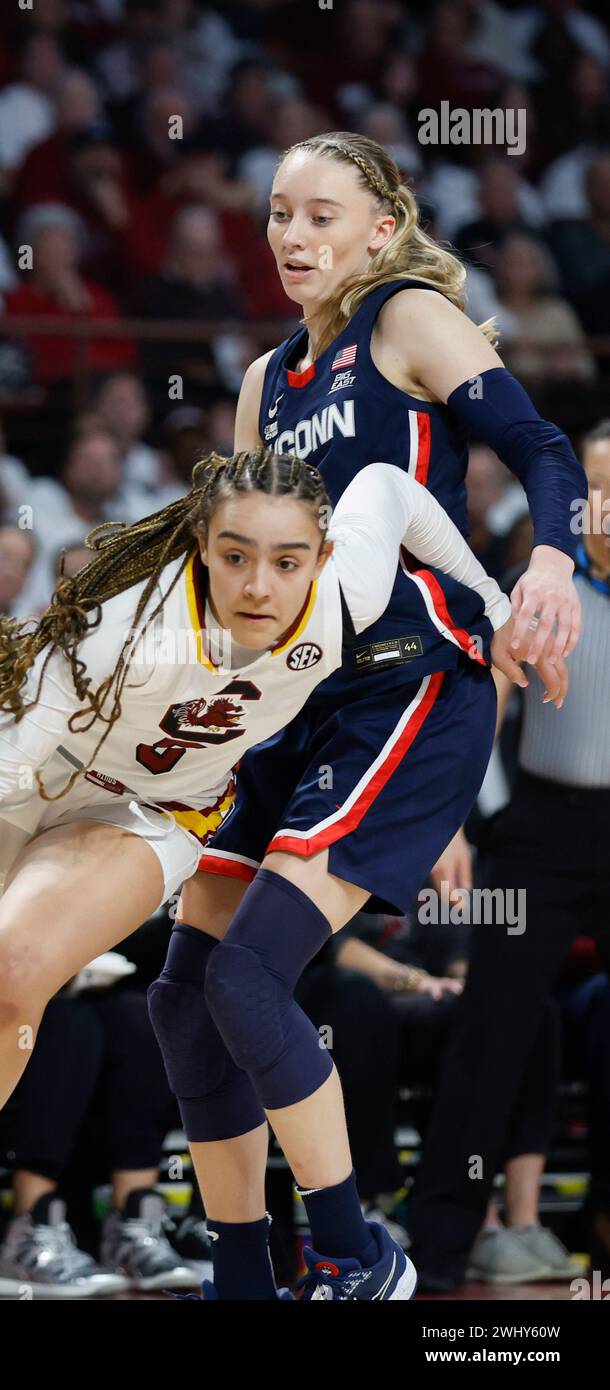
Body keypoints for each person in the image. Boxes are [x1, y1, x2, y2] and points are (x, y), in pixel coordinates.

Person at [0, 443, 528, 1301]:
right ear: (201, 545)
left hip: (145, 813)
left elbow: (389, 489)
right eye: (235, 556)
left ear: (322, 559)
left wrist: (491, 603)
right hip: (27, 786)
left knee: (13, 974)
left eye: (287, 560)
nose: (260, 585)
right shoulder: (122, 630)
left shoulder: (343, 597)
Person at [152, 130, 584, 1303]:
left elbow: (540, 446)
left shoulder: (404, 317)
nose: (293, 236)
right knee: (183, 997)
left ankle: (354, 1252)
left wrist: (544, 566)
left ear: (380, 227)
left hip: (410, 684)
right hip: (296, 706)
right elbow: (243, 570)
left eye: (320, 214)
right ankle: (243, 1271)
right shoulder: (260, 381)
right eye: (278, 216)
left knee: (248, 982)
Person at [406, 420, 610, 1289]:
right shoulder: (538, 592)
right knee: (490, 1035)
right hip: (542, 831)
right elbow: (471, 711)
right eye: (595, 484)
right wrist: (449, 821)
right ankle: (435, 1253)